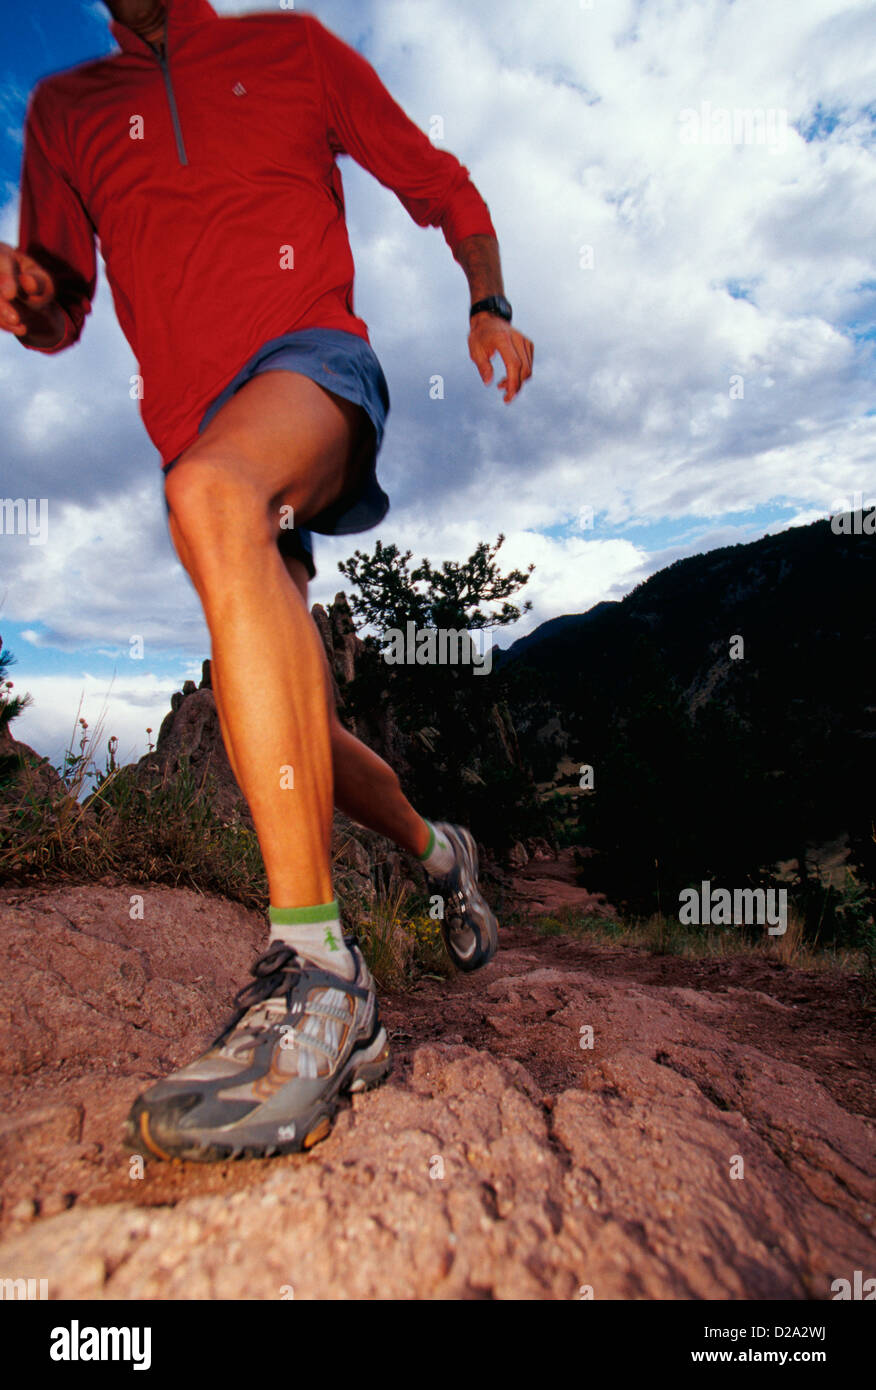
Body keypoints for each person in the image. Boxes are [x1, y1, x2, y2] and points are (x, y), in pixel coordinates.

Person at [1, 0, 534, 1161]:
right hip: (207, 432)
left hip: (312, 372)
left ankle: (323, 976)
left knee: (208, 496)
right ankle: (440, 849)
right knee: (299, 721)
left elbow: (440, 181)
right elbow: (62, 302)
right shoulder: (65, 112)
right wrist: (32, 297)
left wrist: (487, 301)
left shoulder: (291, 48)